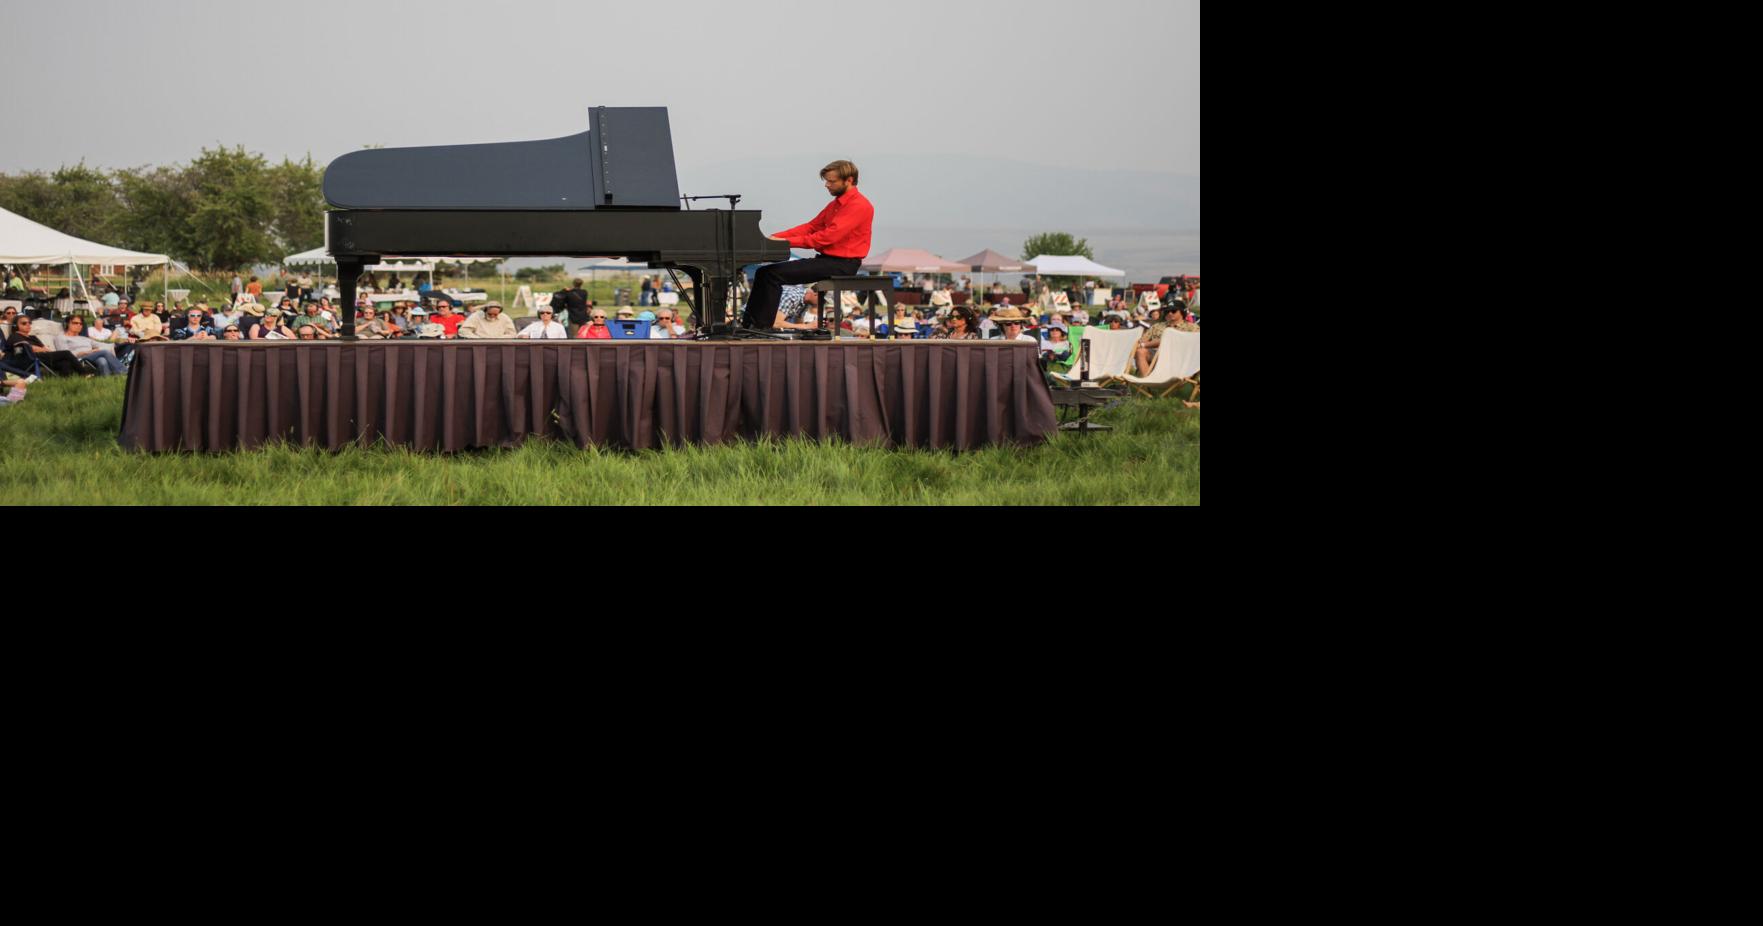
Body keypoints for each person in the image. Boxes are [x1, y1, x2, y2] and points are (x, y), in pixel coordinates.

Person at [741, 159, 874, 329]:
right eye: (826, 180)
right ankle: (748, 325)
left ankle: (761, 327)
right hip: (829, 261)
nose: (827, 185)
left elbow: (826, 238)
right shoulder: (836, 205)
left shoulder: (858, 205)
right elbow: (811, 227)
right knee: (763, 272)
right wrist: (775, 237)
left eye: (831, 181)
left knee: (771, 275)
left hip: (842, 264)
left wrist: (786, 242)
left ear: (849, 180)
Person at [6, 317, 92, 377]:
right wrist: (40, 349)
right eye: (24, 323)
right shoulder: (14, 336)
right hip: (28, 358)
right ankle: (83, 373)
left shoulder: (33, 337)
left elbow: (44, 348)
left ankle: (66, 381)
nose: (28, 325)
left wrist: (47, 351)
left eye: (29, 323)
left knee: (65, 362)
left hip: (41, 356)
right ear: (16, 326)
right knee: (66, 353)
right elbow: (25, 348)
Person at [56, 315, 127, 376]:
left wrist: (124, 341)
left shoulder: (84, 338)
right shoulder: (61, 337)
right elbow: (64, 354)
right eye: (75, 323)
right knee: (104, 352)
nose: (79, 325)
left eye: (81, 324)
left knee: (102, 360)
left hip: (91, 356)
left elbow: (104, 345)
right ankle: (124, 372)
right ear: (67, 324)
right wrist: (86, 352)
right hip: (78, 358)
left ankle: (106, 379)